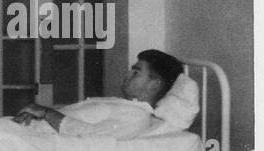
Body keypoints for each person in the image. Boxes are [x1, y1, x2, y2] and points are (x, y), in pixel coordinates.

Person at [14, 49, 185, 137]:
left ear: (153, 84)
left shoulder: (136, 116)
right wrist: (38, 114)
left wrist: (45, 113)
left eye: (136, 72)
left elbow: (91, 136)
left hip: (34, 138)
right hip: (26, 128)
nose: (127, 75)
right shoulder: (121, 103)